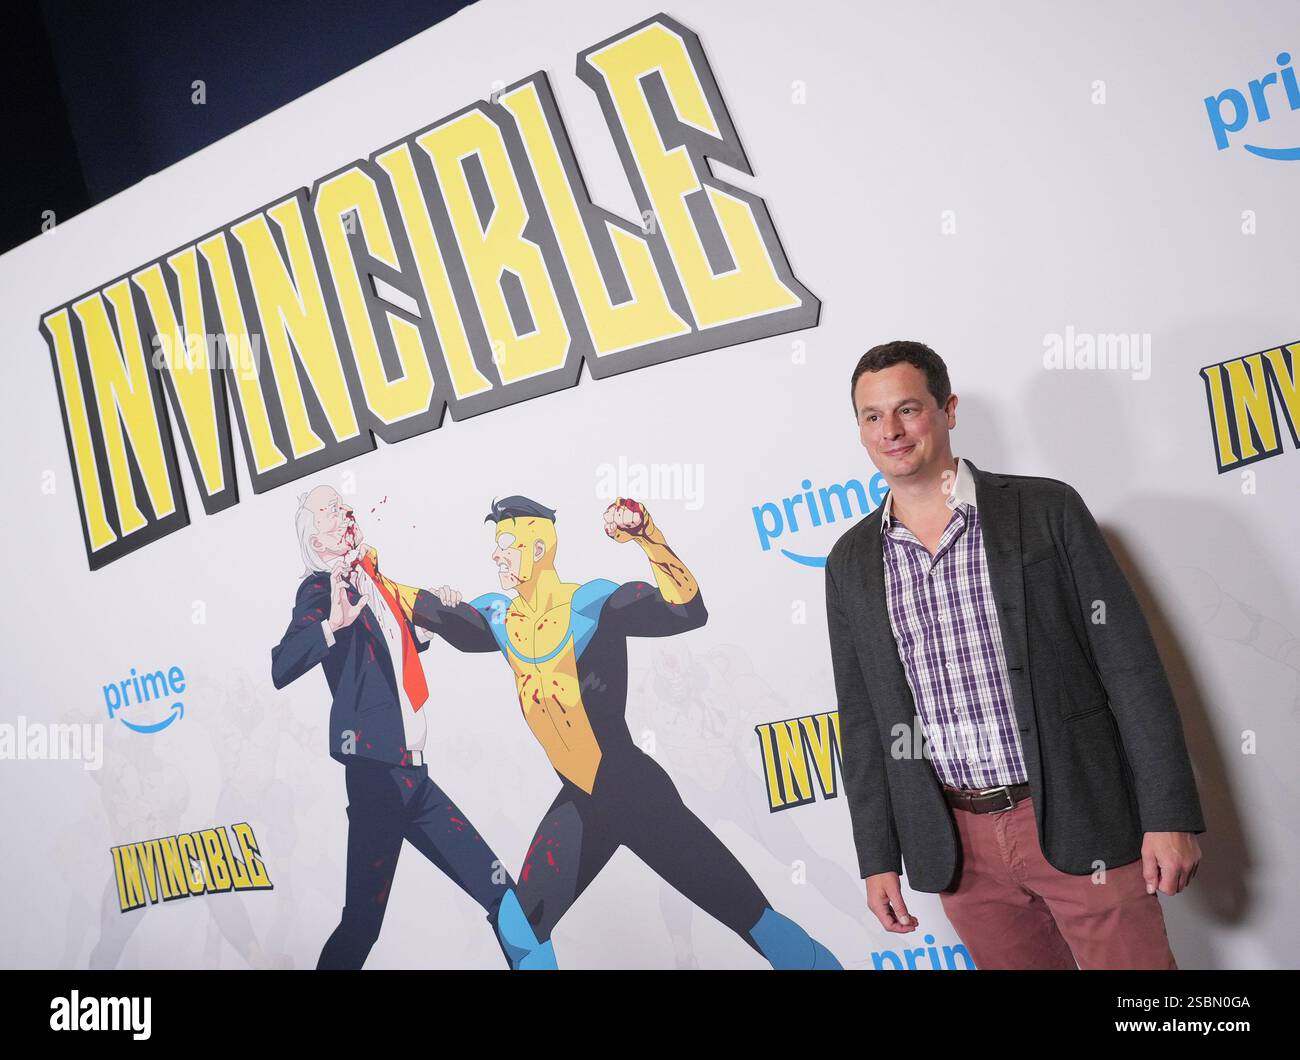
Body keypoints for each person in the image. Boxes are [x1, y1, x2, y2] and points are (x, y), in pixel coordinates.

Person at [824, 340, 1205, 970]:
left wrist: (1168, 813)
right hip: (959, 848)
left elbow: (1128, 665)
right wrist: (877, 857)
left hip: (1080, 815)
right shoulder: (851, 562)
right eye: (872, 416)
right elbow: (863, 720)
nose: (890, 430)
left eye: (908, 409)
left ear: (947, 410)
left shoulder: (1045, 509)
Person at [409, 495, 841, 969]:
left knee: (755, 920)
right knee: (519, 928)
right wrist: (369, 577)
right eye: (495, 546)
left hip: (634, 793)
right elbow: (433, 614)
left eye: (507, 544)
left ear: (537, 549)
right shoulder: (498, 616)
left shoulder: (592, 602)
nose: (496, 554)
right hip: (580, 802)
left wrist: (647, 537)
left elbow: (687, 611)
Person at [270, 484, 553, 969]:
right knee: (361, 925)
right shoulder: (321, 590)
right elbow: (282, 665)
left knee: (501, 893)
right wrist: (329, 626)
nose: (346, 512)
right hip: (376, 778)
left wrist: (425, 626)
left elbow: (387, 654)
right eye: (332, 511)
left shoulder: (372, 582)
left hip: (413, 777)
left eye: (344, 505)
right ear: (318, 542)